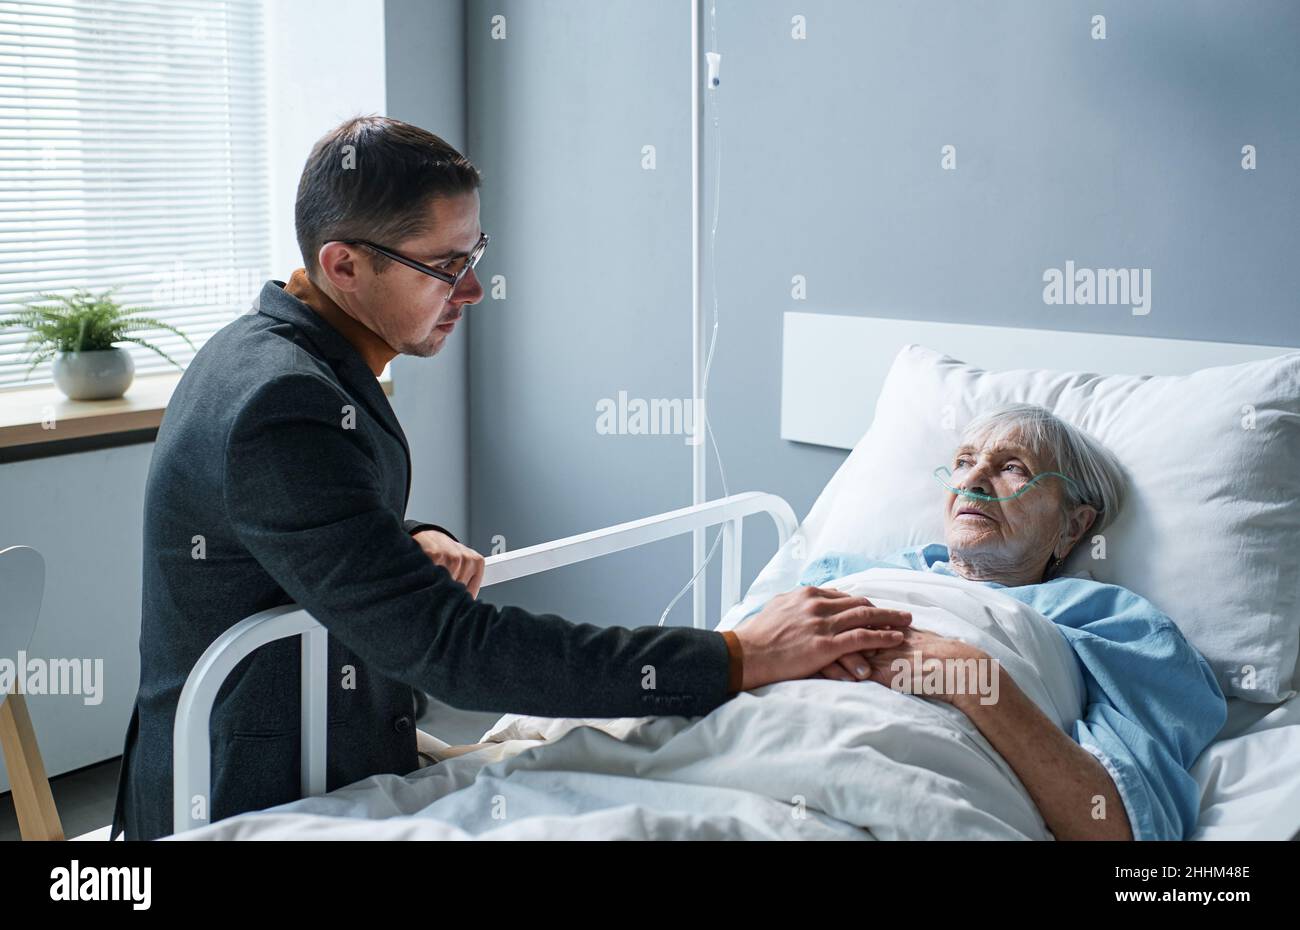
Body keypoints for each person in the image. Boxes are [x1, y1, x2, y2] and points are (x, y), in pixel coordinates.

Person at [109, 116, 909, 840]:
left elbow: (300, 519)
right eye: (445, 264)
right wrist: (737, 656)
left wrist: (403, 537)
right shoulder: (282, 400)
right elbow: (455, 652)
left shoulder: (282, 351)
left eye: (476, 254)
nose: (474, 288)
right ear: (343, 265)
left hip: (331, 733)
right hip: (241, 790)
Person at [795, 403, 1226, 840]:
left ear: (1073, 526)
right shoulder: (840, 575)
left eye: (1013, 467)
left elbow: (1114, 828)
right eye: (964, 461)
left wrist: (977, 683)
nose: (972, 481)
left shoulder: (1117, 626)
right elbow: (745, 657)